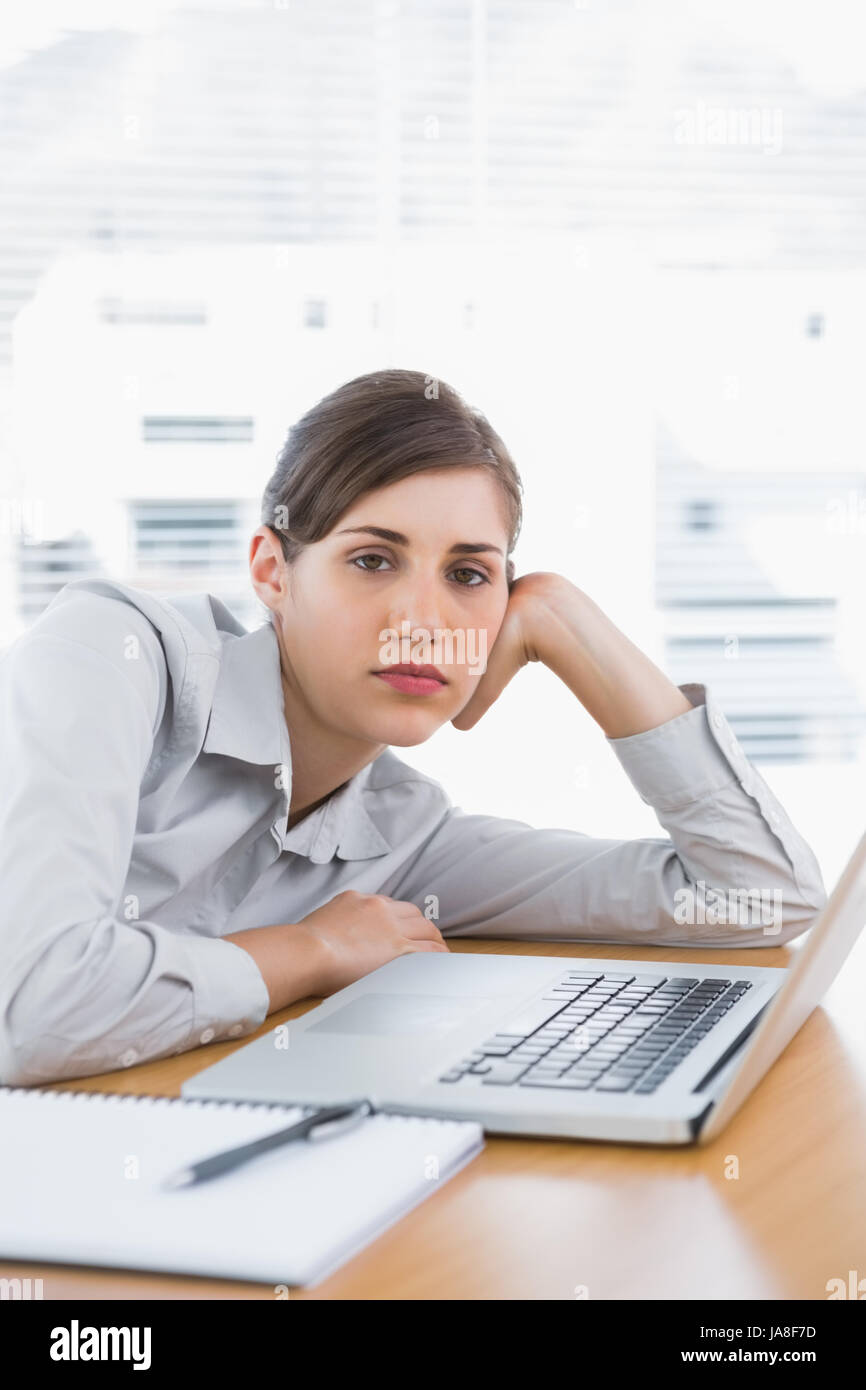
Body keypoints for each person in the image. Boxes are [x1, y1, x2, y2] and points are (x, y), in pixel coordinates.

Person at [0, 368, 826, 1086]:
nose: (426, 623)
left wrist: (566, 622)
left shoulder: (406, 837)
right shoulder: (109, 658)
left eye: (470, 574)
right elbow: (37, 1009)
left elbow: (760, 899)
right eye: (372, 559)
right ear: (271, 571)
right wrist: (310, 951)